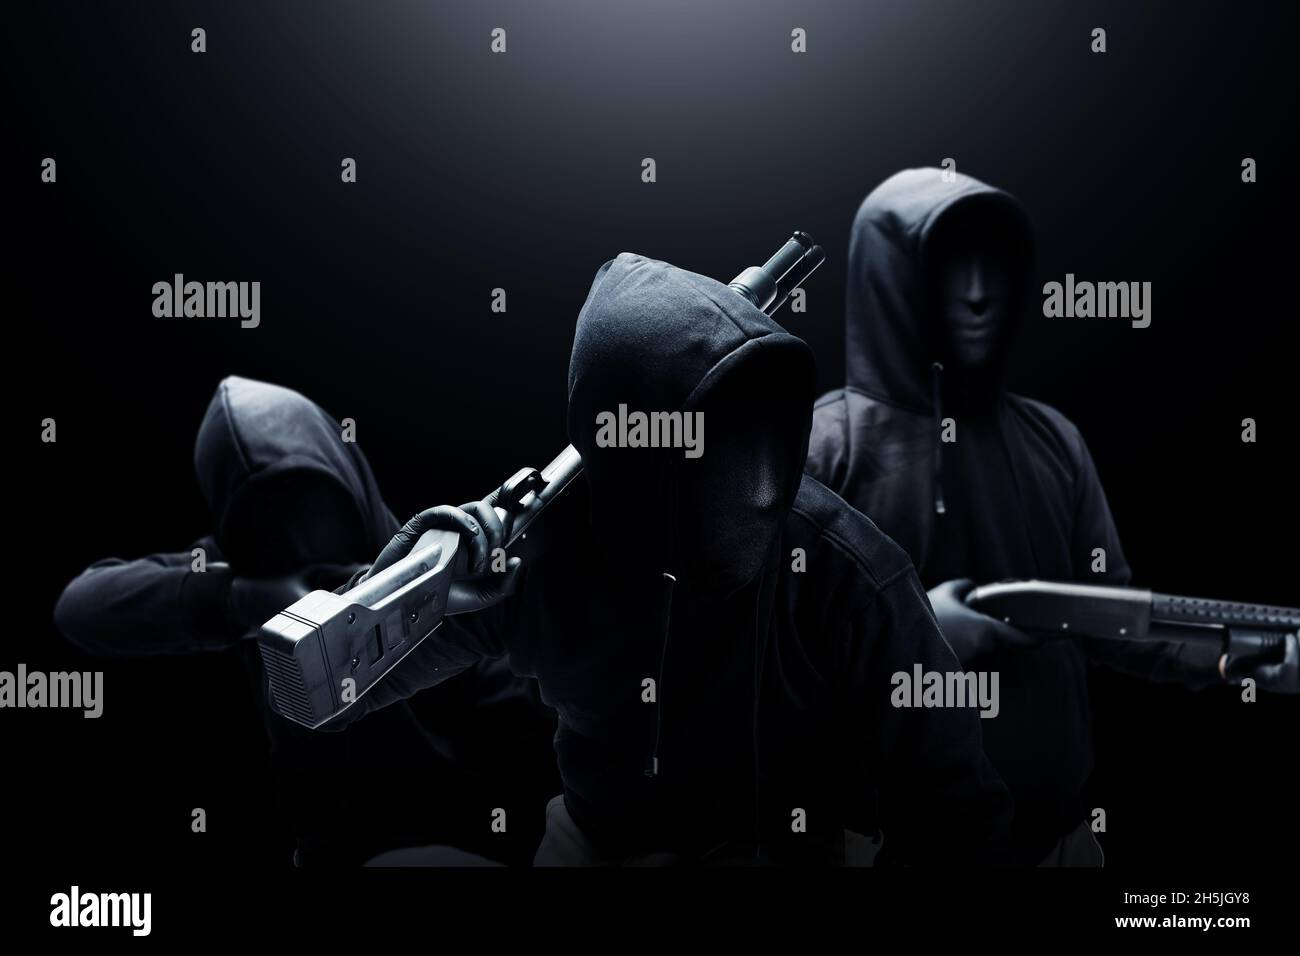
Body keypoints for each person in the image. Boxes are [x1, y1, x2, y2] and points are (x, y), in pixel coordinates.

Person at [316, 252, 1013, 866]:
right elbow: (322, 692)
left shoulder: (848, 576)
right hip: (592, 844)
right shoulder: (524, 555)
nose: (751, 480)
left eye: (757, 428)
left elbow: (960, 817)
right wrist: (412, 576)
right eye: (710, 437)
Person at [805, 168, 1298, 866]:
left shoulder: (1053, 441)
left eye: (994, 265)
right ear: (897, 280)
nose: (978, 292)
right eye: (950, 265)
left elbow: (1117, 622)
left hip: (1058, 847)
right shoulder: (819, 452)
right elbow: (764, 671)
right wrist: (915, 635)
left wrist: (1235, 657)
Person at [55, 375, 558, 866]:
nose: (294, 534)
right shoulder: (237, 574)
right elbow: (79, 608)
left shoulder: (434, 569)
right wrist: (239, 602)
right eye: (264, 522)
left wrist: (398, 602)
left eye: (311, 503)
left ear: (346, 487)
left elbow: (526, 726)